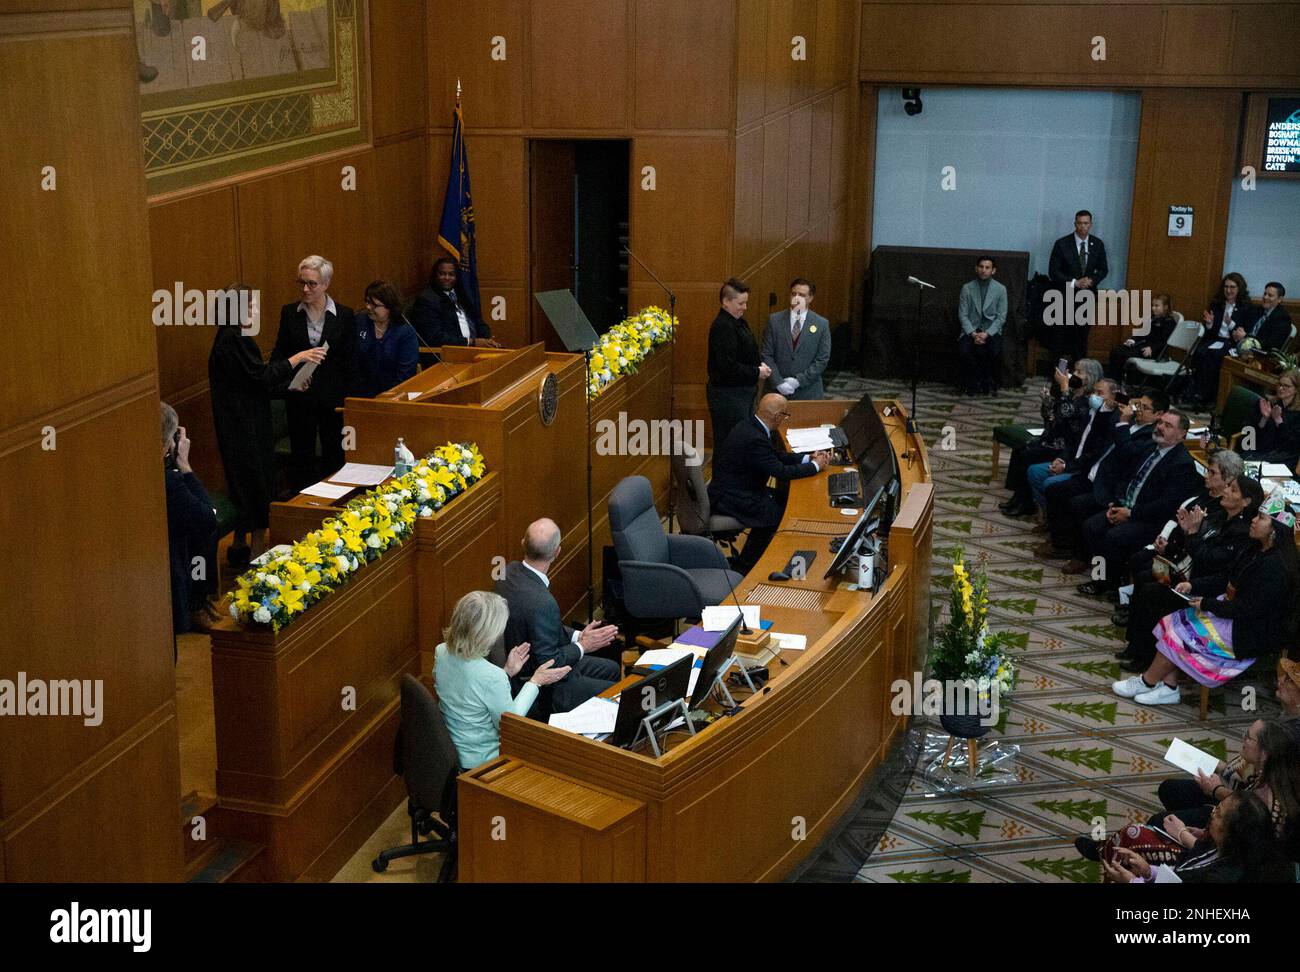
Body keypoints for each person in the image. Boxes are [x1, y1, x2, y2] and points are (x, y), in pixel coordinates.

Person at [1112, 501, 1300, 705]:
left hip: (1250, 630)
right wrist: (1192, 585)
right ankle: (1168, 686)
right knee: (1172, 622)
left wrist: (1207, 604)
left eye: (1261, 518)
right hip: (1230, 611)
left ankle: (1148, 681)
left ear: (1275, 530)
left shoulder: (1276, 568)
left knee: (1181, 635)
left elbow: (1248, 608)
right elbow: (1225, 578)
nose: (1253, 520)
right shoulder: (1253, 548)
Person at [209, 284, 325, 567]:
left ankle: (240, 545)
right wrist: (298, 358)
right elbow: (260, 377)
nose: (256, 311)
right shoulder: (235, 339)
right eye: (250, 306)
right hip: (245, 429)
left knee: (245, 484)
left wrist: (289, 386)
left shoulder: (229, 338)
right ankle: (257, 550)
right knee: (256, 485)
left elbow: (251, 384)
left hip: (239, 425)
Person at [1116, 475, 1261, 673]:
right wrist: (1186, 532)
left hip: (1205, 589)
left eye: (1233, 490)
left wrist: (1192, 534)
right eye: (1228, 486)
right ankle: (1135, 645)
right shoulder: (1219, 517)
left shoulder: (1241, 532)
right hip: (1188, 574)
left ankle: (1146, 656)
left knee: (1152, 592)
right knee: (1146, 576)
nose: (1226, 491)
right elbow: (1196, 548)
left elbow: (1209, 559)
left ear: (1246, 502)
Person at [494, 519, 621, 715]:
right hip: (540, 685)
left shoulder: (507, 572)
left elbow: (539, 626)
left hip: (523, 662)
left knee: (611, 668)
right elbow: (549, 662)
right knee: (613, 693)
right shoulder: (543, 602)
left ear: (522, 543)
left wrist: (579, 636)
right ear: (557, 553)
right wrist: (584, 646)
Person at [434, 590, 570, 769]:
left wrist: (506, 671)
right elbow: (509, 723)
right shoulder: (492, 677)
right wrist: (535, 681)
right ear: (486, 634)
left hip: (452, 749)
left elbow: (470, 693)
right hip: (482, 762)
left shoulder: (441, 651)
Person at [1110, 448, 1244, 627]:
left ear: (1228, 479)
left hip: (1185, 564)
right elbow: (1176, 518)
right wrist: (1163, 538)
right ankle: (1134, 609)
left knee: (1147, 575)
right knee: (1139, 561)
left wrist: (1175, 544)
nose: (1206, 475)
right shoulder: (1201, 496)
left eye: (1212, 472)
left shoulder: (1221, 512)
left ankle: (1139, 618)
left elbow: (1199, 547)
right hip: (1175, 550)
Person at [1075, 409, 1201, 597]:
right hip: (1126, 506)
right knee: (1091, 527)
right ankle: (1100, 578)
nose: (1160, 427)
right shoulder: (1150, 447)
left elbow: (1165, 505)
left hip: (1149, 519)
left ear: (1182, 434)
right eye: (1160, 422)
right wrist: (1116, 504)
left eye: (1168, 426)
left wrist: (1131, 514)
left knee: (1114, 537)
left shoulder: (1181, 464)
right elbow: (1127, 477)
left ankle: (1110, 584)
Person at [708, 394, 833, 574]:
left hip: (739, 488)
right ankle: (746, 566)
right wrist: (815, 466)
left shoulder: (751, 425)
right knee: (776, 515)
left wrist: (808, 458)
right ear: (777, 416)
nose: (785, 418)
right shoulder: (755, 437)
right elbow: (780, 471)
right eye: (785, 414)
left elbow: (774, 457)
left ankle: (749, 560)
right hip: (733, 497)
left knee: (784, 500)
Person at [1040, 389, 1166, 564]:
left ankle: (1080, 555)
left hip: (1109, 485)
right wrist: (1110, 409)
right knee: (1055, 490)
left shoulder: (1151, 435)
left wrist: (1123, 422)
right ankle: (1062, 542)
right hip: (1093, 471)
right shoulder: (1130, 421)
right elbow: (1100, 430)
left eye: (1145, 408)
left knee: (1077, 505)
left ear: (1158, 414)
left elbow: (1127, 453)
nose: (1139, 410)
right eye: (1138, 405)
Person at [270, 255, 356, 489]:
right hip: (300, 398)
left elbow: (351, 362)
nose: (306, 289)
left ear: (326, 284)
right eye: (302, 283)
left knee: (334, 454)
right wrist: (293, 381)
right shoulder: (289, 313)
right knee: (302, 458)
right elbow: (279, 356)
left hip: (333, 400)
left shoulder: (345, 315)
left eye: (312, 284)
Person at [1099, 791, 1293, 883]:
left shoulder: (1225, 878)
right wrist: (1149, 872)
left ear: (1232, 832)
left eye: (1218, 814)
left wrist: (1133, 882)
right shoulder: (1222, 845)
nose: (1212, 814)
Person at [999, 358, 1104, 517]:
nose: (1073, 374)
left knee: (1028, 455)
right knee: (1022, 449)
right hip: (1054, 438)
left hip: (1065, 446)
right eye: (1074, 370)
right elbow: (1053, 418)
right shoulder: (1073, 394)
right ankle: (1019, 497)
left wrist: (1064, 389)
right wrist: (1047, 402)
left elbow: (1067, 413)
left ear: (1089, 378)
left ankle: (1026, 503)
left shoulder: (1087, 401)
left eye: (1079, 372)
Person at [161, 403, 219, 654]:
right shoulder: (169, 481)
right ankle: (195, 601)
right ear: (168, 443)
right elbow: (208, 518)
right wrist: (184, 465)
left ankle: (199, 598)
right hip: (168, 577)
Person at [1025, 377, 1118, 518]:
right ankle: (1048, 516)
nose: (1094, 396)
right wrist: (1061, 459)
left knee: (1050, 484)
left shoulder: (1109, 421)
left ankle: (1054, 520)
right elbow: (1073, 442)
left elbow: (1093, 454)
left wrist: (1066, 466)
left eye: (1100, 393)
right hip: (1070, 459)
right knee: (1034, 472)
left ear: (1113, 397)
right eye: (1094, 392)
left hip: (1081, 469)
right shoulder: (1089, 411)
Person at [708, 278, 770, 449]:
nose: (745, 307)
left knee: (742, 442)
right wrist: (757, 372)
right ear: (726, 302)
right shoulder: (722, 326)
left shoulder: (738, 321)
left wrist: (759, 366)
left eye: (746, 303)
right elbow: (727, 367)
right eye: (741, 303)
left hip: (740, 394)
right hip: (729, 397)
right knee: (731, 443)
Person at [1188, 272, 1258, 407]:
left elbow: (1244, 333)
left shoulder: (1247, 308)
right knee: (1200, 352)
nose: (1228, 290)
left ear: (1239, 289)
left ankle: (1208, 395)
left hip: (1231, 343)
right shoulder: (1217, 304)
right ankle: (1195, 391)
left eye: (1232, 287)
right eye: (1226, 287)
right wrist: (1209, 324)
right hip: (1215, 339)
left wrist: (1231, 323)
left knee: (1213, 357)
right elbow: (1211, 330)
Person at [1047, 210, 1109, 359]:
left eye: (1086, 223)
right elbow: (1053, 272)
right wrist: (1075, 282)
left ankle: (1078, 374)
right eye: (1080, 223)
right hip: (1064, 295)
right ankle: (1058, 373)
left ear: (1091, 225)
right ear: (1075, 224)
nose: (1082, 226)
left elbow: (1103, 269)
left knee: (1081, 336)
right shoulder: (1062, 244)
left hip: (1087, 296)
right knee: (1060, 336)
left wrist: (1091, 280)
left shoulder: (1097, 244)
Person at [761, 278, 831, 401]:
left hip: (808, 393)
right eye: (794, 294)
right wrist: (778, 382)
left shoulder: (821, 324)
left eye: (802, 295)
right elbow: (766, 354)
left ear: (810, 298)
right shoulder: (774, 320)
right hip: (775, 392)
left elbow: (822, 359)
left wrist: (798, 381)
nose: (796, 298)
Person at [410, 256, 498, 350]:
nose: (447, 278)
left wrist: (487, 339)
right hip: (448, 353)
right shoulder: (426, 300)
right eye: (442, 274)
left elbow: (477, 320)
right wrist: (471, 342)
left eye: (451, 274)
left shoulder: (460, 293)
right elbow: (435, 338)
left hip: (474, 349)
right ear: (435, 275)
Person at [354, 280, 419, 397]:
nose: (368, 307)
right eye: (367, 302)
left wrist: (387, 396)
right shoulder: (360, 321)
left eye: (375, 305)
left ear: (390, 306)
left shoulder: (405, 332)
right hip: (361, 393)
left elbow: (406, 373)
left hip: (395, 395)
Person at [956, 255, 1008, 396]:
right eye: (981, 267)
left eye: (987, 267)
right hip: (971, 330)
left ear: (993, 270)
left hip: (990, 330)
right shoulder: (967, 288)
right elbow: (963, 315)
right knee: (964, 351)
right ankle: (972, 383)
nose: (983, 270)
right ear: (976, 268)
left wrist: (986, 334)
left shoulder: (1000, 289)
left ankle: (988, 383)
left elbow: (1001, 317)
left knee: (994, 351)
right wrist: (973, 334)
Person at [1109, 291, 1176, 380]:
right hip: (1144, 345)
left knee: (1120, 354)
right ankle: (1114, 379)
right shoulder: (1153, 318)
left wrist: (1152, 348)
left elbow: (1165, 342)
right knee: (1116, 351)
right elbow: (1142, 332)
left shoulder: (1169, 322)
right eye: (1153, 305)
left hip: (1154, 350)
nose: (1153, 308)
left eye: (1157, 306)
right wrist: (1133, 339)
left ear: (1166, 307)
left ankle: (1116, 381)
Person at [1243, 368, 1300, 470]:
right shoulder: (1270, 403)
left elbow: (1292, 445)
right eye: (1279, 385)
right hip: (1261, 450)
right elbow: (1251, 433)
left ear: (1296, 389)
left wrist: (1279, 421)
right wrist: (1264, 419)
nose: (1281, 388)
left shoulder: (1298, 414)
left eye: (1286, 386)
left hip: (1283, 458)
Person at [1241, 281, 1292, 353]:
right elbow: (1245, 325)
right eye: (1265, 294)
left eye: (1270, 295)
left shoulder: (1282, 318)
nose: (1265, 297)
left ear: (1280, 299)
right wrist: (1239, 330)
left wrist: (1246, 337)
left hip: (1260, 354)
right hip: (1243, 348)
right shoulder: (1257, 310)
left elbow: (1271, 344)